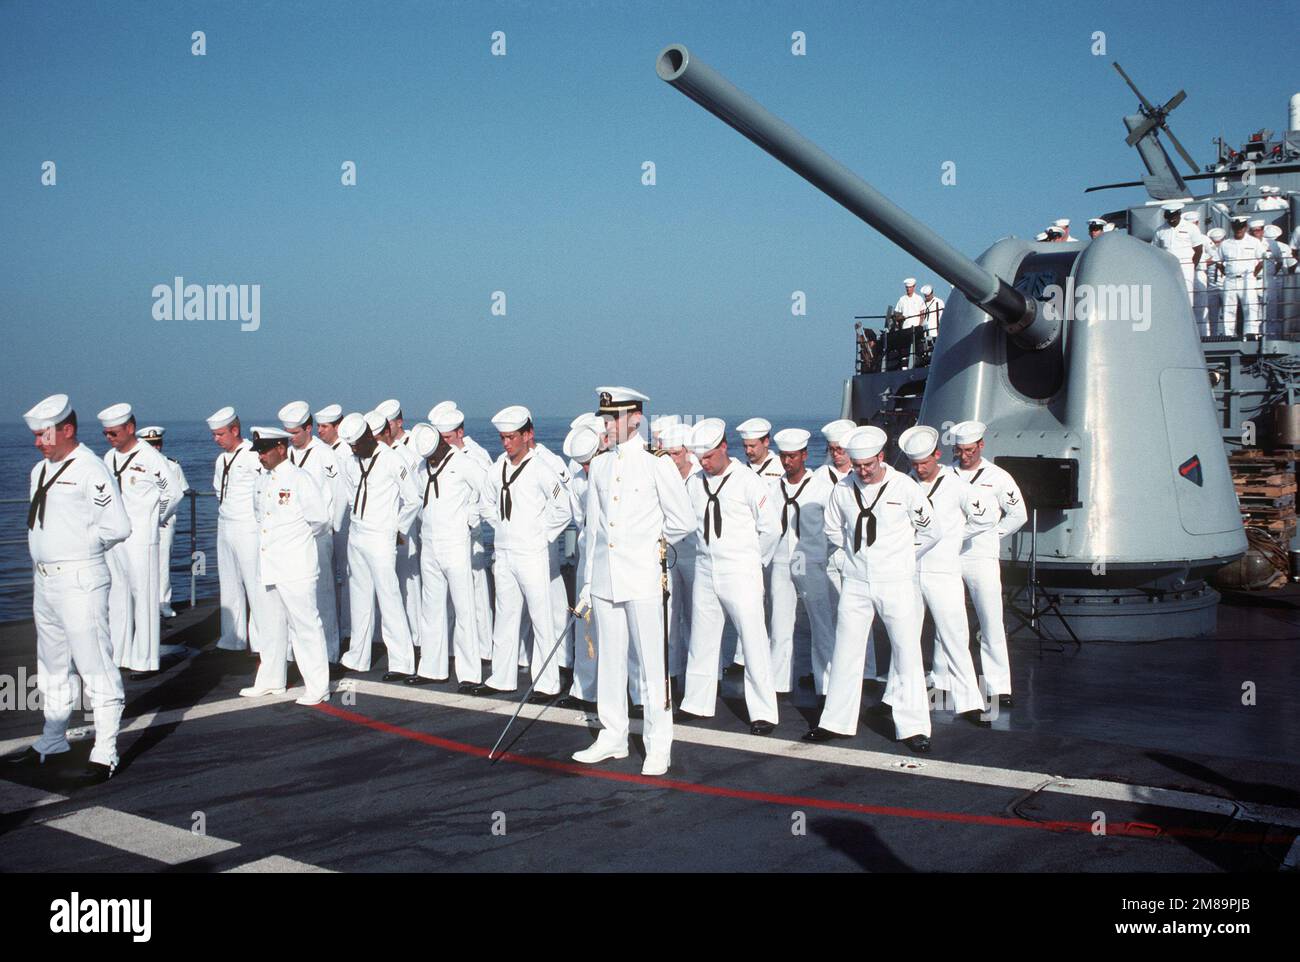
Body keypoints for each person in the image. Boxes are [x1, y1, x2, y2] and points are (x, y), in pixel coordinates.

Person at [6, 394, 131, 784]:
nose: (38, 442)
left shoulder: (91, 469)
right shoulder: (40, 471)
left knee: (96, 666)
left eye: (44, 434)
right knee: (52, 665)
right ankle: (52, 739)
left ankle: (105, 751)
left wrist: (82, 549)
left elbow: (118, 526)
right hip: (44, 581)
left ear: (67, 430)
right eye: (36, 435)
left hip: (80, 579)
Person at [572, 388, 696, 775]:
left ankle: (659, 745)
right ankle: (612, 736)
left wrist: (651, 546)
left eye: (613, 419)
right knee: (609, 661)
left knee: (650, 665)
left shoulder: (656, 463)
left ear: (636, 419)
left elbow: (684, 520)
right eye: (606, 419)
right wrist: (588, 584)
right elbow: (593, 531)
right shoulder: (603, 466)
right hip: (606, 580)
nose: (606, 426)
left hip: (642, 578)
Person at [804, 426, 939, 753]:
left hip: (896, 583)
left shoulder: (904, 487)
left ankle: (914, 728)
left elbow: (931, 531)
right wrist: (857, 555)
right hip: (857, 582)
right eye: (856, 465)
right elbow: (834, 528)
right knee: (846, 651)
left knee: (906, 652)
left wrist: (903, 558)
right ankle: (835, 722)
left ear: (881, 457)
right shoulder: (843, 489)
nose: (862, 471)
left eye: (868, 465)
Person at [677, 418, 781, 734]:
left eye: (709, 456)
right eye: (699, 458)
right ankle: (697, 703)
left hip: (741, 569)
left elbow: (772, 529)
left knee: (753, 640)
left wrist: (752, 562)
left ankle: (763, 711)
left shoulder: (748, 481)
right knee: (703, 638)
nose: (704, 463)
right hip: (706, 567)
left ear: (724, 447)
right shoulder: (694, 483)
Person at [898, 425, 994, 725]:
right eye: (914, 464)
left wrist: (954, 538)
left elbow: (986, 517)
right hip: (910, 571)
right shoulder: (903, 484)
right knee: (904, 638)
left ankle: (970, 703)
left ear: (937, 455)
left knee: (954, 636)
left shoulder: (956, 485)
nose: (919, 468)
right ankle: (895, 697)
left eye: (924, 463)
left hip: (943, 570)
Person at [474, 405, 572, 700]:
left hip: (532, 553)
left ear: (528, 435)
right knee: (505, 616)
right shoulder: (497, 468)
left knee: (541, 618)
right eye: (503, 437)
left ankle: (547, 682)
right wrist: (503, 527)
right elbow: (485, 504)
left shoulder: (542, 468)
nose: (506, 443)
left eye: (512, 437)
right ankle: (501, 678)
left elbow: (563, 509)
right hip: (504, 553)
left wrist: (540, 535)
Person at [241, 427, 332, 705]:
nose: (260, 457)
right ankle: (271, 680)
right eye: (258, 451)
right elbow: (261, 518)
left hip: (295, 566)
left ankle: (318, 686)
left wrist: (295, 544)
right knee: (270, 626)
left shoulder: (300, 479)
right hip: (269, 565)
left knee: (305, 626)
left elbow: (320, 521)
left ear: (281, 448)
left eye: (265, 450)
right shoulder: (262, 481)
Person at [337, 411, 420, 680]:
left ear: (367, 437)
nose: (353, 449)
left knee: (389, 597)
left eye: (356, 444)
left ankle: (402, 662)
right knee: (359, 597)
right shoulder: (351, 462)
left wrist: (399, 530)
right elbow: (351, 495)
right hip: (358, 534)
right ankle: (357, 657)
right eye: (349, 446)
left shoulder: (392, 460)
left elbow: (413, 499)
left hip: (381, 536)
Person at [98, 404, 178, 678]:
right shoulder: (109, 458)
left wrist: (154, 518)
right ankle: (120, 653)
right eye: (106, 433)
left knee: (144, 597)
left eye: (114, 432)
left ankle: (145, 659)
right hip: (116, 538)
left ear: (130, 428)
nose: (109, 437)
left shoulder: (150, 456)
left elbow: (173, 492)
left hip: (142, 536)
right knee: (117, 596)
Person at [951, 420, 1026, 707]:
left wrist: (992, 534)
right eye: (959, 450)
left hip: (981, 557)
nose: (964, 455)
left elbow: (1018, 514)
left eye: (969, 450)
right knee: (949, 620)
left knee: (991, 620)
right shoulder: (947, 475)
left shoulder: (998, 477)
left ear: (981, 445)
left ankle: (998, 686)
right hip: (950, 556)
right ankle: (944, 680)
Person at [410, 421, 485, 690]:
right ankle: (432, 668)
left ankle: (469, 673)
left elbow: (487, 488)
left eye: (434, 453)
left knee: (464, 609)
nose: (432, 460)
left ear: (444, 443)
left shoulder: (463, 463)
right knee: (431, 609)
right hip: (429, 543)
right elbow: (420, 498)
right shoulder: (422, 468)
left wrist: (472, 516)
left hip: (455, 543)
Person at [767, 428, 836, 696]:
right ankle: (778, 684)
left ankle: (828, 685)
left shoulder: (821, 488)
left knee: (821, 624)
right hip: (782, 561)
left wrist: (819, 555)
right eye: (784, 456)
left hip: (810, 562)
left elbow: (834, 530)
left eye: (793, 456)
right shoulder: (774, 488)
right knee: (780, 624)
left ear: (804, 455)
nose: (787, 462)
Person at [429, 401, 495, 663]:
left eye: (447, 437)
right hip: (449, 535)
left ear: (459, 432)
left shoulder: (475, 455)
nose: (443, 443)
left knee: (476, 594)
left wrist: (472, 518)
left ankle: (484, 649)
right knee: (451, 596)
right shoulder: (439, 459)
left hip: (472, 533)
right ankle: (456, 648)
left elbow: (489, 490)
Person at [279, 401, 341, 662]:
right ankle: (297, 652)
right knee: (295, 596)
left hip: (318, 534)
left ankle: (329, 654)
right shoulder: (288, 455)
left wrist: (332, 527)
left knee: (323, 594)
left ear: (308, 428)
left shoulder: (324, 454)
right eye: (288, 433)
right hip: (293, 537)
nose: (291, 437)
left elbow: (339, 494)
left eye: (295, 432)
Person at [208, 406, 262, 653]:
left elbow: (262, 489)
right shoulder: (222, 460)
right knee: (229, 583)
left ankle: (262, 642)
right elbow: (220, 490)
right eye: (214, 435)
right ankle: (232, 638)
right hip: (226, 524)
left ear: (235, 430)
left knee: (255, 584)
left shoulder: (252, 454)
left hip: (247, 526)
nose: (216, 439)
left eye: (220, 434)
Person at [559, 424, 602, 707]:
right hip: (588, 551)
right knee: (584, 622)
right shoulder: (576, 480)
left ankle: (631, 693)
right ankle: (585, 690)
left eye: (590, 463)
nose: (587, 469)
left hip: (612, 553)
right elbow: (577, 519)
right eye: (583, 465)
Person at [658, 422, 699, 691]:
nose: (671, 459)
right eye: (667, 454)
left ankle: (706, 676)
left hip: (696, 555)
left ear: (686, 451)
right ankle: (671, 672)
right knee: (670, 617)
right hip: (671, 556)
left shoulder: (701, 478)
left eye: (675, 454)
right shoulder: (663, 477)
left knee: (698, 619)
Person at [139, 426, 188, 620]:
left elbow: (180, 492)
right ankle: (144, 604)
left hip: (165, 522)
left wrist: (162, 515)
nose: (156, 448)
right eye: (151, 445)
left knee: (163, 564)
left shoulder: (172, 466)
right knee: (140, 564)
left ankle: (163, 602)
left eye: (158, 443)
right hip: (142, 524)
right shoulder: (137, 467)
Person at [314, 403, 352, 644]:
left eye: (324, 426)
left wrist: (338, 522)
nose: (320, 431)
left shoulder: (347, 451)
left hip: (345, 520)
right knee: (326, 576)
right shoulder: (319, 452)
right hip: (325, 525)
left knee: (348, 575)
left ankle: (348, 628)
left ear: (338, 426)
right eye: (318, 426)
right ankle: (334, 625)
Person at [1151, 201, 1203, 311]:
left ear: (1179, 214)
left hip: (1186, 266)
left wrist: (1192, 266)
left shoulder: (1191, 228)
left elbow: (1198, 250)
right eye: (1169, 217)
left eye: (1174, 216)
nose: (1171, 219)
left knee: (1187, 298)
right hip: (1168, 267)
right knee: (1170, 296)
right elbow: (1155, 250)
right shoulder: (1160, 231)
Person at [1219, 216, 1265, 338]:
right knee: (1229, 309)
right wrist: (1227, 273)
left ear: (1245, 227)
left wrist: (1253, 274)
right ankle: (1227, 336)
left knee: (1250, 307)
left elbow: (1262, 261)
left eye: (1240, 227)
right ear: (1232, 228)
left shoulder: (1254, 242)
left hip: (1247, 279)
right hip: (1230, 279)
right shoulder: (1225, 244)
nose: (1238, 230)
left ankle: (1251, 335)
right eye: (1235, 228)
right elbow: (1219, 262)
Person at [1204, 227, 1226, 336]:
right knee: (1212, 316)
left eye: (1219, 242)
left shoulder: (1227, 252)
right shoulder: (1208, 254)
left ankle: (1228, 335)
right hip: (1212, 288)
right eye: (1215, 242)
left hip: (1225, 287)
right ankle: (1213, 335)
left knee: (1228, 314)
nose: (1217, 244)